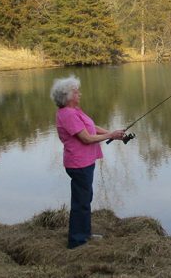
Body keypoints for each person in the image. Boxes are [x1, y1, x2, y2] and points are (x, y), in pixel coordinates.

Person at [50, 75, 124, 249]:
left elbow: (92, 127)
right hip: (78, 163)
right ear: (67, 96)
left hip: (85, 162)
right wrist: (111, 136)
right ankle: (77, 240)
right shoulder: (67, 114)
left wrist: (115, 133)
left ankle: (85, 234)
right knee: (81, 202)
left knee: (85, 198)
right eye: (76, 92)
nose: (79, 94)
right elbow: (86, 138)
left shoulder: (75, 111)